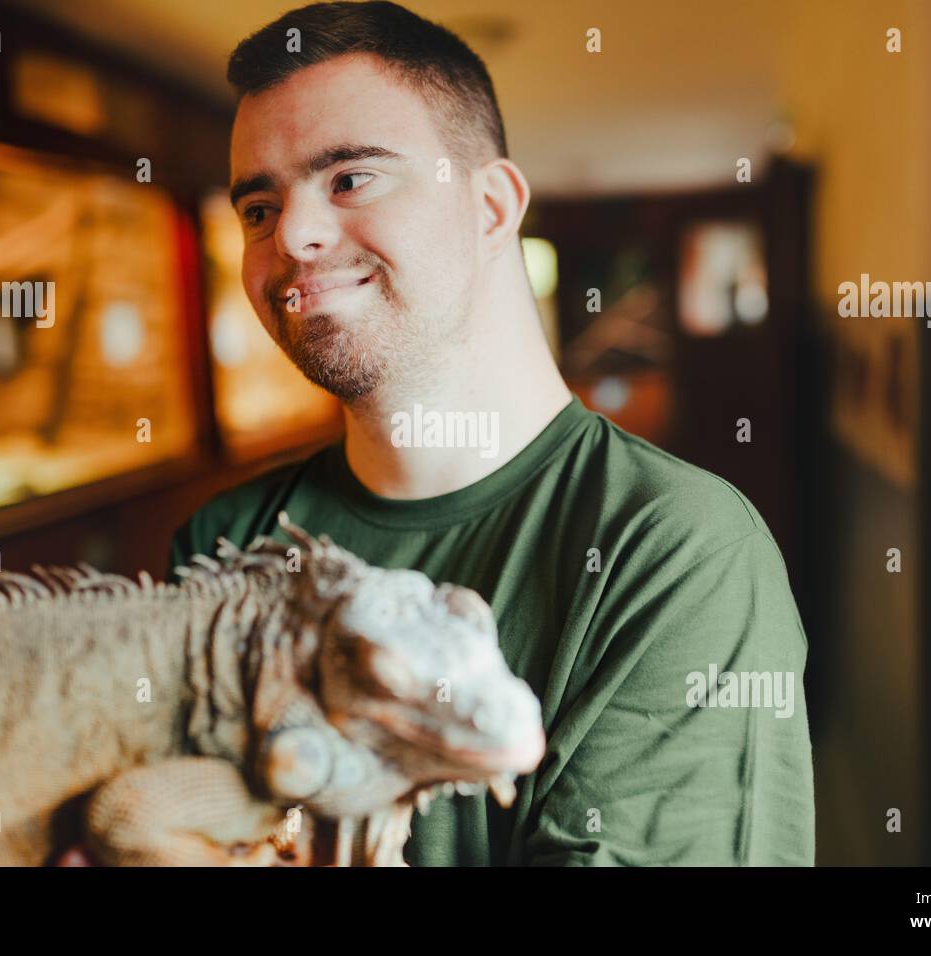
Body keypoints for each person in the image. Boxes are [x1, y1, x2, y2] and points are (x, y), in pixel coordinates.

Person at [169, 0, 814, 865]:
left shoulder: (677, 551)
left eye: (350, 178)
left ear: (491, 206)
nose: (293, 233)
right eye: (257, 208)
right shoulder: (224, 545)